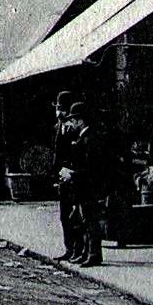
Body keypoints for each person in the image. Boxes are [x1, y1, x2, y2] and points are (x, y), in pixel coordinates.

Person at [61, 101, 105, 267]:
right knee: (83, 220)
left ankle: (93, 254)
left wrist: (72, 175)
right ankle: (87, 252)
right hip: (84, 186)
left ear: (80, 121)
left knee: (90, 221)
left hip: (89, 187)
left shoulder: (89, 139)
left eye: (73, 120)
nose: (72, 123)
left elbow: (91, 168)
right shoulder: (84, 137)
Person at [51, 90, 80, 262]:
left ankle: (78, 250)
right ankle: (69, 248)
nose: (59, 113)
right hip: (62, 178)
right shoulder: (57, 128)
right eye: (58, 108)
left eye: (62, 109)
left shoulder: (74, 129)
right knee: (64, 215)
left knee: (75, 217)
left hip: (73, 176)